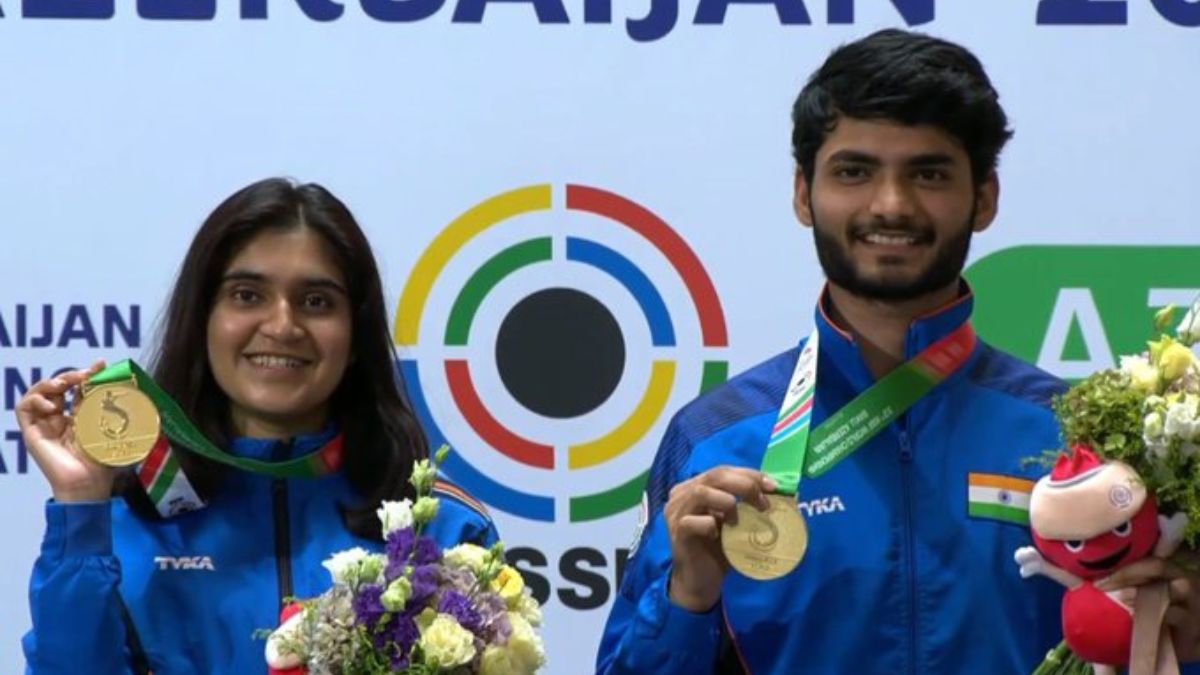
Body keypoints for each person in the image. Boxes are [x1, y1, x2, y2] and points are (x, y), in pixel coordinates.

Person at [595, 29, 1200, 674]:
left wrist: (1186, 647)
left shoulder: (1080, 441)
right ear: (803, 193)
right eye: (854, 171)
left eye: (928, 173)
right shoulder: (715, 440)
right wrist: (686, 601)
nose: (890, 205)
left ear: (985, 198)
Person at [18, 178, 497, 674]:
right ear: (203, 319)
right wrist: (81, 505)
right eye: (247, 295)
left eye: (317, 301)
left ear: (356, 335)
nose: (282, 326)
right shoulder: (123, 527)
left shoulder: (441, 526)